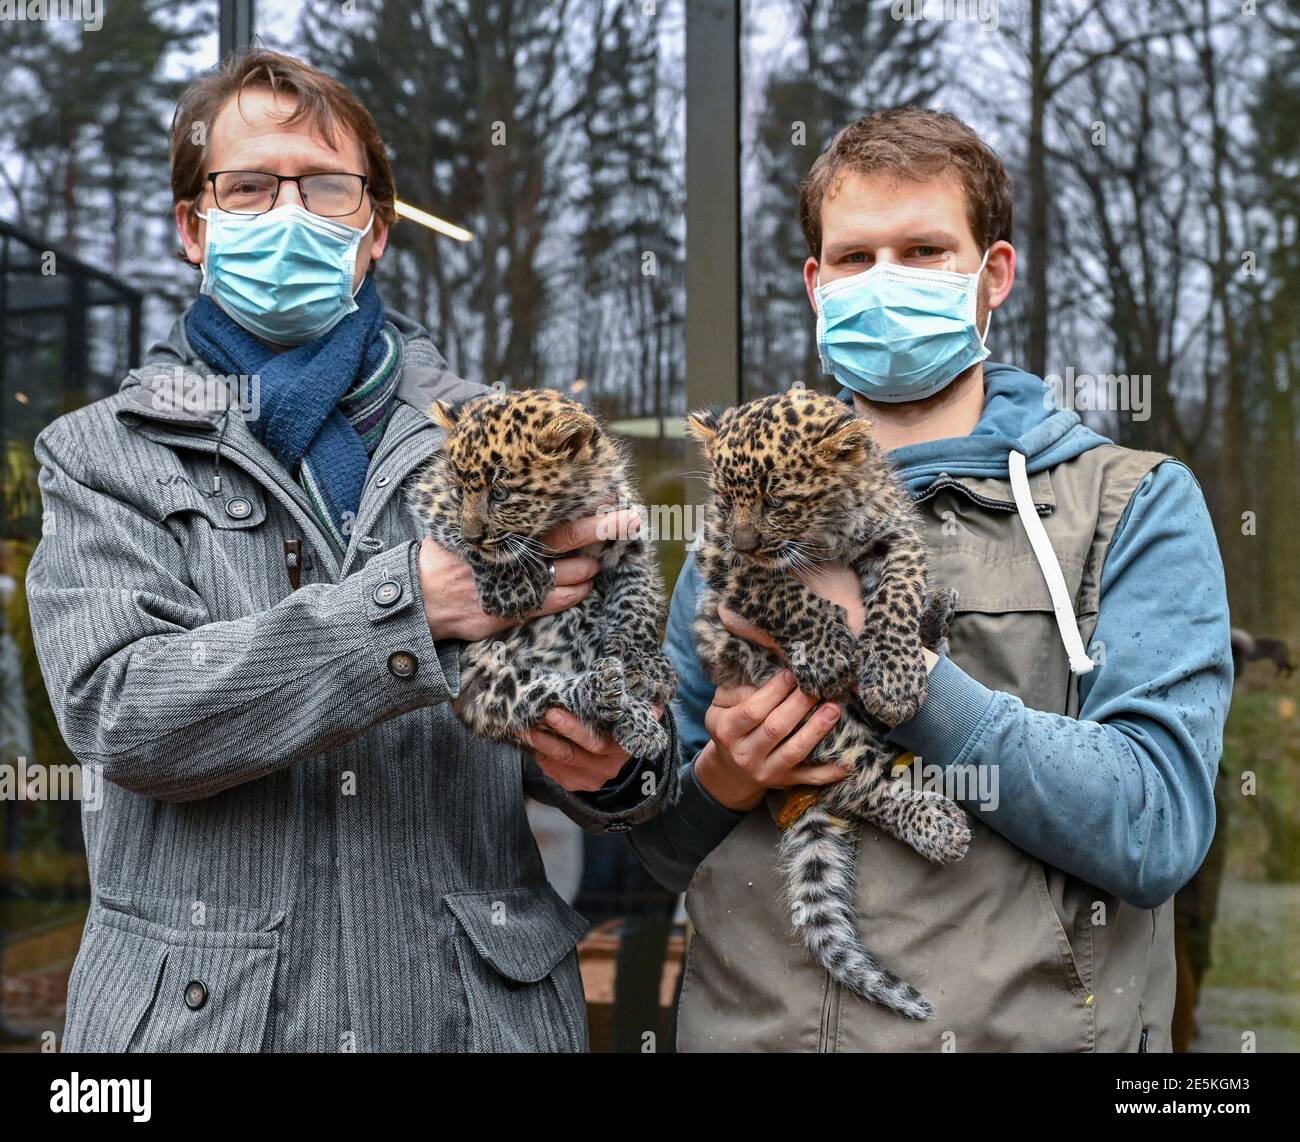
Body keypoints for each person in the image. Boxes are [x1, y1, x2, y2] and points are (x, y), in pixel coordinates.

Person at [24, 50, 674, 1053]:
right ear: (193, 226)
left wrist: (613, 766)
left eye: (324, 186)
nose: (287, 211)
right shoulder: (101, 452)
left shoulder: (502, 440)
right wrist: (408, 609)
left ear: (373, 229)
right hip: (200, 1026)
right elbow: (122, 712)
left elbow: (614, 711)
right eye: (247, 185)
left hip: (472, 1014)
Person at [631, 107, 1232, 1052]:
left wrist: (899, 674)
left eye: (922, 250)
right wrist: (723, 776)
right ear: (816, 285)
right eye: (856, 258)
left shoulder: (1132, 502)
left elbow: (1153, 830)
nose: (885, 283)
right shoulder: (740, 525)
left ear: (992, 276)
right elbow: (658, 850)